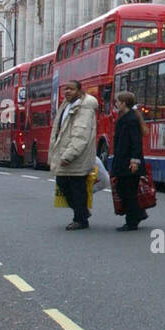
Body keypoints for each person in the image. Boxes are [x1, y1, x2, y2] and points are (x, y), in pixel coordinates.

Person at [49, 80, 99, 231]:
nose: (67, 92)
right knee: (64, 184)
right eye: (66, 89)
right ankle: (82, 213)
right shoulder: (67, 105)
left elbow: (80, 134)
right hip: (65, 153)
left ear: (79, 91)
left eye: (71, 89)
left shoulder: (84, 107)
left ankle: (80, 219)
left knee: (77, 189)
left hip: (77, 157)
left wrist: (69, 155)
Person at [111, 91, 147, 232]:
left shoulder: (130, 119)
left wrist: (135, 161)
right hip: (123, 160)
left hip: (128, 162)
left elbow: (136, 142)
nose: (116, 104)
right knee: (124, 189)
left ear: (124, 103)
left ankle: (132, 220)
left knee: (127, 192)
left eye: (117, 101)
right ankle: (137, 213)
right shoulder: (125, 117)